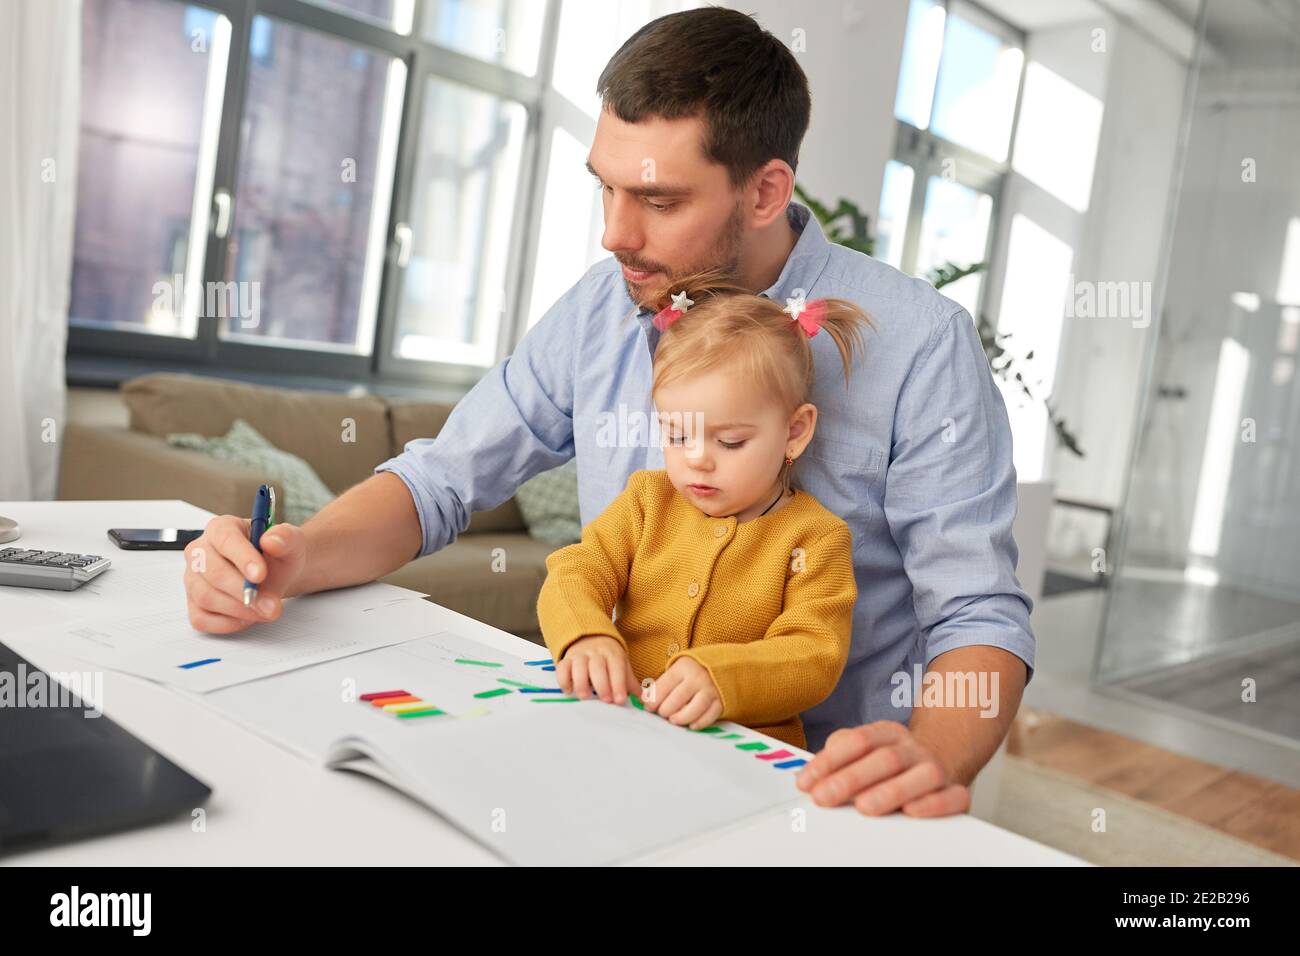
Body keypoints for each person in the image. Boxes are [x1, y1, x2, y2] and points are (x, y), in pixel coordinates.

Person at [182, 7, 1034, 818]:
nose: (614, 234)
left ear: (766, 191)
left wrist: (933, 754)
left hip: (813, 793)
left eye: (659, 201)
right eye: (606, 188)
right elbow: (441, 480)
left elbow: (976, 611)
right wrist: (296, 560)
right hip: (620, 756)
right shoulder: (605, 304)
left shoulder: (921, 345)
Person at [539, 271, 873, 749]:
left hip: (746, 755)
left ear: (795, 433)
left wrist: (723, 677)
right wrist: (584, 635)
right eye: (676, 435)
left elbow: (813, 655)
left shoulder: (815, 538)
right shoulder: (647, 500)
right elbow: (577, 570)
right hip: (625, 731)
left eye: (730, 441)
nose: (696, 457)